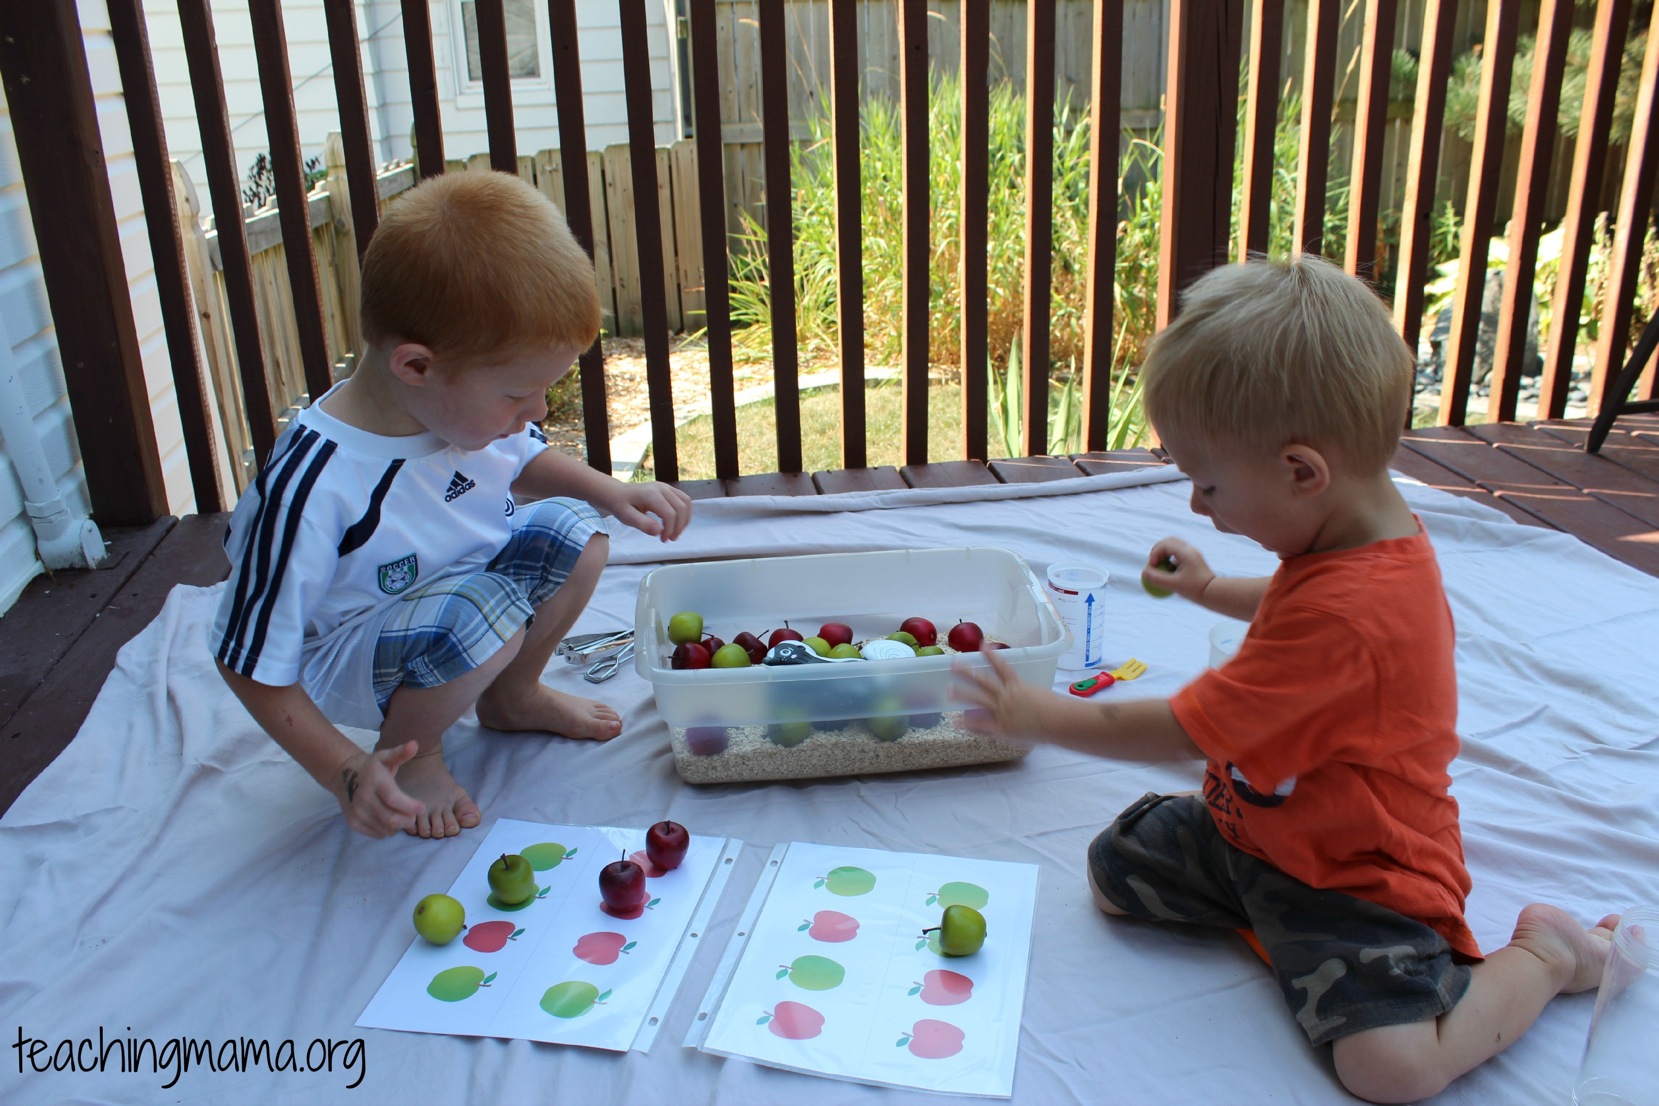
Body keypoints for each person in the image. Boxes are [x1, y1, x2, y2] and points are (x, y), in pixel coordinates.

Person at [953, 254, 1616, 1103]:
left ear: (1301, 472)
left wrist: (1038, 715)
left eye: (1207, 483)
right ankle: (1269, 918)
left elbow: (1181, 729)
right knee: (1114, 875)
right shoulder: (1356, 540)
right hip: (1256, 837)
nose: (1198, 506)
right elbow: (1289, 596)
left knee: (1390, 1071)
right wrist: (1202, 589)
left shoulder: (1350, 616)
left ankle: (1550, 954)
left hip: (1356, 875)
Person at [212, 170, 691, 841]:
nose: (537, 412)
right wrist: (346, 769)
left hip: (463, 603)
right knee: (485, 612)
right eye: (517, 394)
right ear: (414, 365)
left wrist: (611, 492)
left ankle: (510, 697)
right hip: (356, 646)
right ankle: (414, 752)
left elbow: (522, 458)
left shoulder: (453, 409)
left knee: (576, 531)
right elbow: (245, 658)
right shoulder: (315, 485)